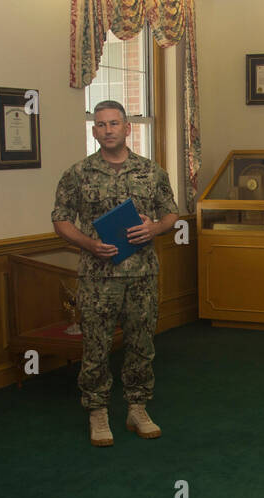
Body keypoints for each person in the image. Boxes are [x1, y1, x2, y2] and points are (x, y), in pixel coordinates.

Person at [52, 100, 179, 446]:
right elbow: (60, 220)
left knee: (142, 344)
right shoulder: (77, 174)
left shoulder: (152, 172)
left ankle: (137, 407)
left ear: (127, 128)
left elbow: (171, 215)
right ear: (94, 131)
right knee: (96, 346)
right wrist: (89, 244)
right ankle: (97, 412)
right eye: (101, 124)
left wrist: (154, 229)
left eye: (114, 124)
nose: (108, 130)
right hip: (98, 277)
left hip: (141, 277)